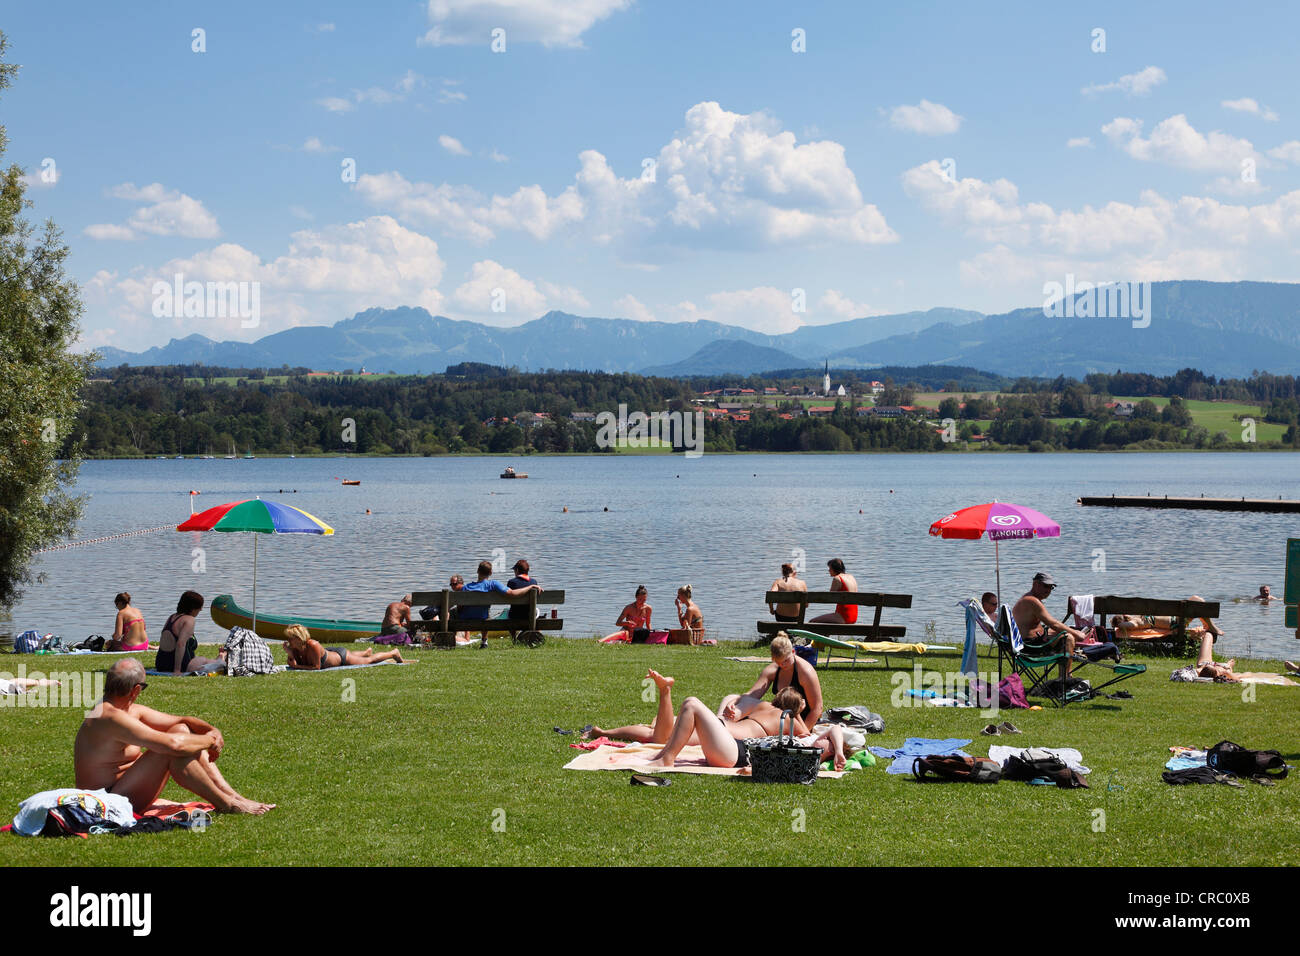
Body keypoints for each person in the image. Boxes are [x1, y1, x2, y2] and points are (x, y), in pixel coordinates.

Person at [73, 658, 274, 814]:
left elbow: (182, 721)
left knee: (181, 731)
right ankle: (227, 804)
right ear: (136, 689)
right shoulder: (108, 717)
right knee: (172, 751)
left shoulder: (128, 710)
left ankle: (233, 796)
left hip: (125, 789)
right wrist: (209, 742)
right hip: (105, 801)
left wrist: (212, 730)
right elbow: (174, 746)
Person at [645, 687, 847, 771]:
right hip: (732, 743)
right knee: (679, 718)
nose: (824, 738)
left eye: (827, 743)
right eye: (827, 740)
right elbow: (835, 728)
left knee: (691, 705)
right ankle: (665, 755)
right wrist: (838, 751)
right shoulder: (808, 740)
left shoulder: (808, 753)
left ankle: (666, 757)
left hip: (735, 751)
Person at [723, 632, 823, 726]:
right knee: (734, 699)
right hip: (780, 717)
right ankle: (724, 723)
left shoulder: (805, 672)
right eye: (779, 662)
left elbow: (817, 709)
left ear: (793, 652)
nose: (783, 665)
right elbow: (752, 695)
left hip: (803, 720)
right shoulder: (772, 670)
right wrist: (733, 702)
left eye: (786, 660)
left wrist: (803, 733)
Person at [1011, 573, 1087, 677]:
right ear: (1035, 584)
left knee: (1064, 632)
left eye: (1051, 587)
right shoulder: (1031, 601)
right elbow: (1052, 623)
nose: (1048, 590)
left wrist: (1069, 630)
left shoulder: (1029, 598)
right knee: (1068, 638)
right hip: (1029, 646)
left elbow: (1043, 626)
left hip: (1028, 642)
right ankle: (1065, 678)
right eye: (1045, 586)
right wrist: (1077, 634)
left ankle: (1065, 677)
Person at [461, 560, 542, 644]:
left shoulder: (466, 587)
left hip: (465, 619)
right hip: (528, 615)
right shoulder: (492, 584)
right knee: (485, 611)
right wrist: (531, 586)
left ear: (478, 571)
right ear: (491, 572)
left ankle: (513, 639)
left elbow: (460, 606)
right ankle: (484, 641)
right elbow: (511, 593)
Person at [156, 591, 222, 676]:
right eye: (200, 607)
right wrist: (177, 670)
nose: (201, 609)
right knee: (205, 661)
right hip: (180, 666)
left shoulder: (171, 617)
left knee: (203, 660)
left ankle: (220, 657)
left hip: (161, 664)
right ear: (193, 608)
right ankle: (222, 657)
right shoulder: (189, 619)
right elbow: (180, 644)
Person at [282, 624, 404, 668]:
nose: (288, 641)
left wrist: (298, 667)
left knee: (368, 661)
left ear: (298, 638)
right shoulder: (295, 647)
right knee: (359, 656)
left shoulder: (313, 644)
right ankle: (365, 652)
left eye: (290, 638)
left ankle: (393, 653)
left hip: (340, 658)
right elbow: (295, 662)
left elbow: (316, 667)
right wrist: (290, 654)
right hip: (330, 653)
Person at [809, 558, 857, 625]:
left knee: (812, 621)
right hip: (854, 615)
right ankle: (825, 635)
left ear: (835, 569)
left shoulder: (837, 578)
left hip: (843, 616)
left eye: (830, 568)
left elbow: (830, 598)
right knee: (826, 622)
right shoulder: (851, 577)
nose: (829, 570)